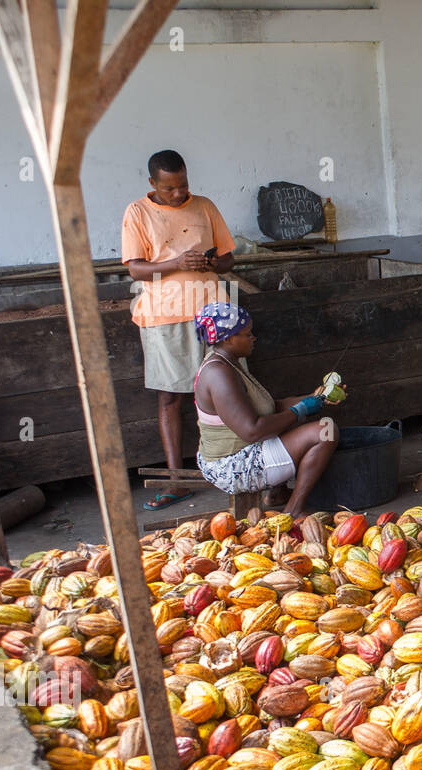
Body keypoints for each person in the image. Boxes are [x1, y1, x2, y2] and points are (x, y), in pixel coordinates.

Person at [122, 149, 236, 509]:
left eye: (183, 185)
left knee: (228, 391)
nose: (178, 194)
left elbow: (229, 258)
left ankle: (232, 468)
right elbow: (137, 271)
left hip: (214, 312)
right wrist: (175, 264)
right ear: (152, 183)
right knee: (171, 397)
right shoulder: (137, 213)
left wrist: (213, 261)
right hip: (164, 316)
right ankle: (176, 479)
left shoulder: (204, 206)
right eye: (169, 188)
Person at [192, 303, 341, 517]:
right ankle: (294, 510)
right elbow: (252, 430)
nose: (253, 338)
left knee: (284, 422)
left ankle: (277, 494)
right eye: (247, 334)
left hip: (239, 452)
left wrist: (315, 398)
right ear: (228, 339)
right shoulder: (219, 373)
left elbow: (270, 407)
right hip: (232, 466)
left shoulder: (228, 362)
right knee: (326, 431)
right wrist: (299, 411)